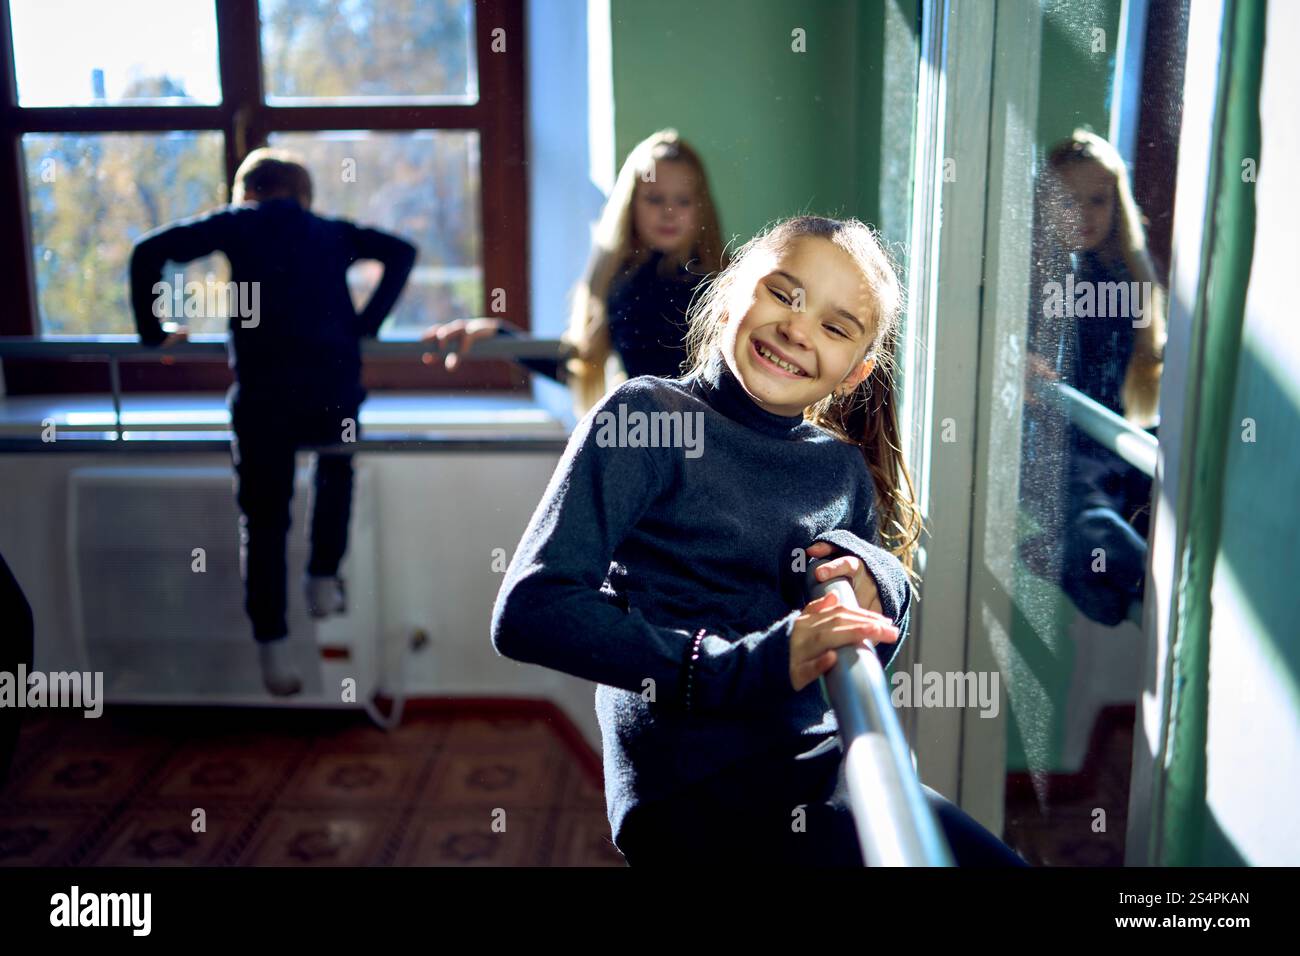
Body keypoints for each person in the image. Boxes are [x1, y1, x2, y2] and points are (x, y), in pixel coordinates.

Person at [491, 215, 1025, 866]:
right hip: (691, 787)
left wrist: (878, 578)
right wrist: (740, 668)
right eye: (783, 294)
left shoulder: (840, 469)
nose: (798, 330)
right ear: (730, 294)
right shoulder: (646, 416)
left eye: (835, 328)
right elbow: (530, 611)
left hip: (815, 762)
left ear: (855, 372)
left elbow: (864, 632)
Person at [129, 148, 416, 695]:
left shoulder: (237, 223)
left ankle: (273, 645)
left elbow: (148, 251)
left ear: (246, 192)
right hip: (332, 388)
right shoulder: (329, 231)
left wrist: (152, 332)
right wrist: (366, 325)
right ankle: (323, 578)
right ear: (304, 195)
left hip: (265, 397)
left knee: (263, 519)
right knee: (336, 473)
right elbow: (402, 252)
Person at [424, 129, 726, 414]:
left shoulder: (724, 285)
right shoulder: (617, 283)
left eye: (683, 200)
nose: (668, 212)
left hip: (707, 437)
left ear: (701, 207)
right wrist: (500, 336)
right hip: (643, 435)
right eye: (655, 198)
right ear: (631, 204)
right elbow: (580, 368)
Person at [1022, 130, 1167, 626]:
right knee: (1095, 527)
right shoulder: (1031, 274)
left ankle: (1058, 555)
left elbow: (1142, 367)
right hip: (1055, 448)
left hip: (1117, 441)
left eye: (1097, 201)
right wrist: (1018, 360)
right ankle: (1165, 603)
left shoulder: (1126, 274)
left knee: (1171, 484)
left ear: (1116, 206)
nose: (1083, 214)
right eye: (1068, 201)